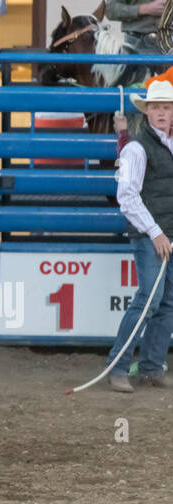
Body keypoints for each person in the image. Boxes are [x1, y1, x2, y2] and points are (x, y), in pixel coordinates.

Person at [107, 76, 173, 390]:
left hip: (166, 233)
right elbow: (127, 197)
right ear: (147, 112)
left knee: (167, 301)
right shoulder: (136, 148)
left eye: (167, 107)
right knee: (150, 299)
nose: (162, 113)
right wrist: (157, 232)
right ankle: (118, 367)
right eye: (156, 107)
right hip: (152, 235)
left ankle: (150, 366)